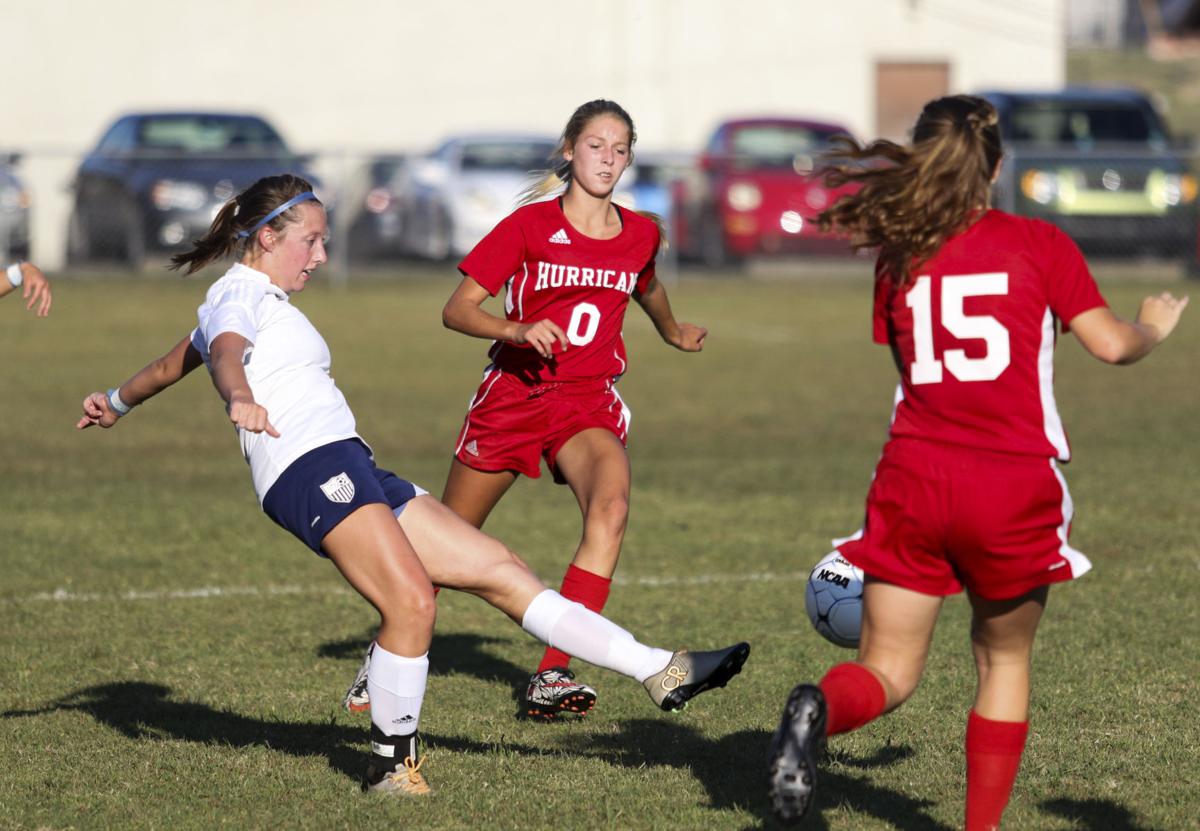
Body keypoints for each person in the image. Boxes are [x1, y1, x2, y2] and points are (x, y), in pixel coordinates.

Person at [76, 174, 749, 798]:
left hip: (352, 462)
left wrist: (116, 401)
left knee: (501, 568)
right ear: (268, 237)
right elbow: (223, 352)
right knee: (410, 603)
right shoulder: (238, 294)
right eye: (311, 241)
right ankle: (389, 765)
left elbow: (172, 363)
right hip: (307, 468)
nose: (320, 256)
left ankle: (660, 668)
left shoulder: (253, 299)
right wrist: (240, 396)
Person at [765, 96, 1188, 828]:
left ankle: (818, 709)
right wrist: (1151, 326)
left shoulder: (901, 255)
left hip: (914, 476)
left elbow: (910, 369)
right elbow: (1112, 345)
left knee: (887, 669)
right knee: (1003, 661)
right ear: (997, 167)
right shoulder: (1038, 242)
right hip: (1010, 480)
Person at [342, 99, 708, 722]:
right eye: (596, 146)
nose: (608, 160)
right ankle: (382, 658)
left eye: (620, 150)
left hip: (585, 401)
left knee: (612, 508)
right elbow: (457, 309)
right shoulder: (529, 227)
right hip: (514, 397)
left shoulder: (641, 234)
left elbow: (646, 284)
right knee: (443, 548)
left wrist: (672, 331)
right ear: (569, 150)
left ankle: (552, 672)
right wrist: (515, 329)